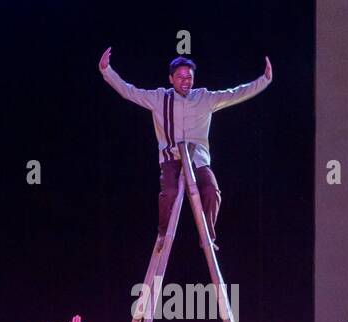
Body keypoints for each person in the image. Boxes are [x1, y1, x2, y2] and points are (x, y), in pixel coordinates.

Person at [100, 48, 272, 242]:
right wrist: (107, 70)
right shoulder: (159, 98)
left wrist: (264, 80)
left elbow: (235, 94)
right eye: (180, 77)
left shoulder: (204, 98)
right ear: (171, 79)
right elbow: (129, 91)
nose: (185, 81)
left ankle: (207, 236)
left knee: (211, 192)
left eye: (189, 77)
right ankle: (163, 234)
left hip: (197, 160)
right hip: (172, 158)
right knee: (170, 193)